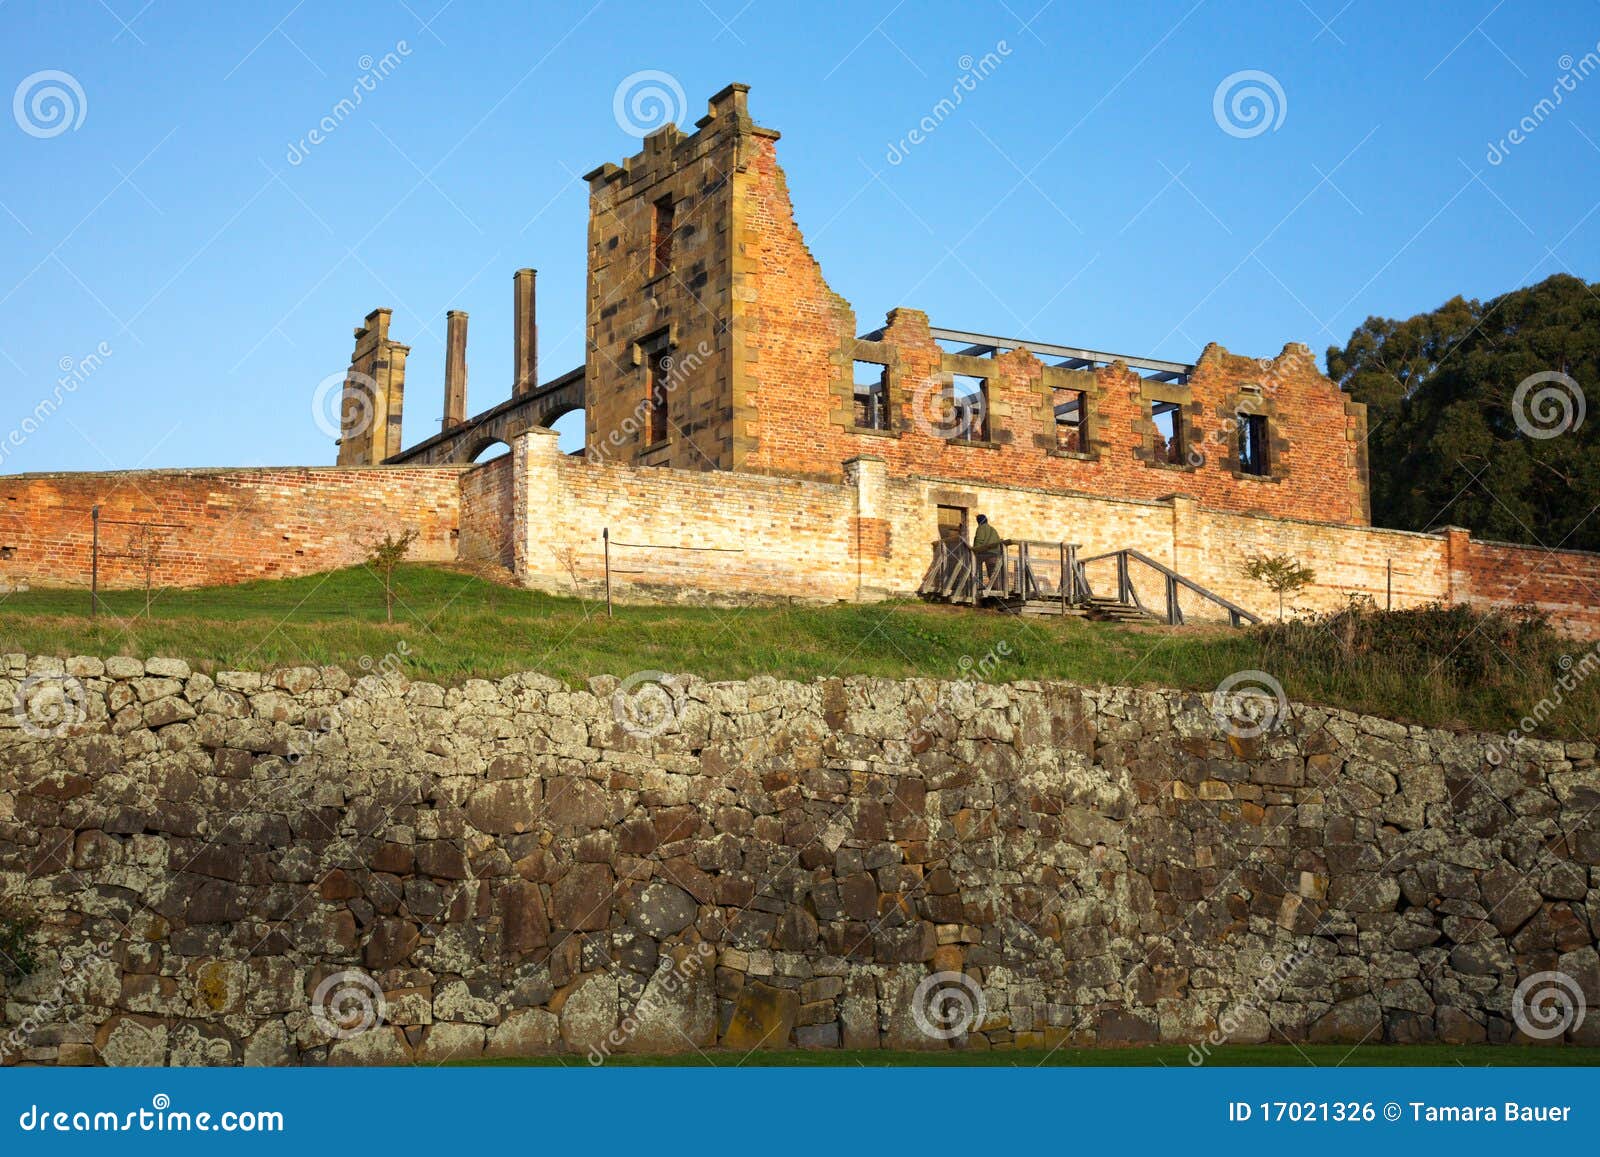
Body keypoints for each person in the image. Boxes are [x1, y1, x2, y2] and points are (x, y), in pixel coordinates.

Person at [971, 514, 1003, 590]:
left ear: (978, 521)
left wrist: (974, 550)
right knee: (992, 572)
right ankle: (996, 588)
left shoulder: (980, 528)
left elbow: (978, 541)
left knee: (972, 566)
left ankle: (974, 586)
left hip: (985, 553)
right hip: (995, 554)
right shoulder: (993, 529)